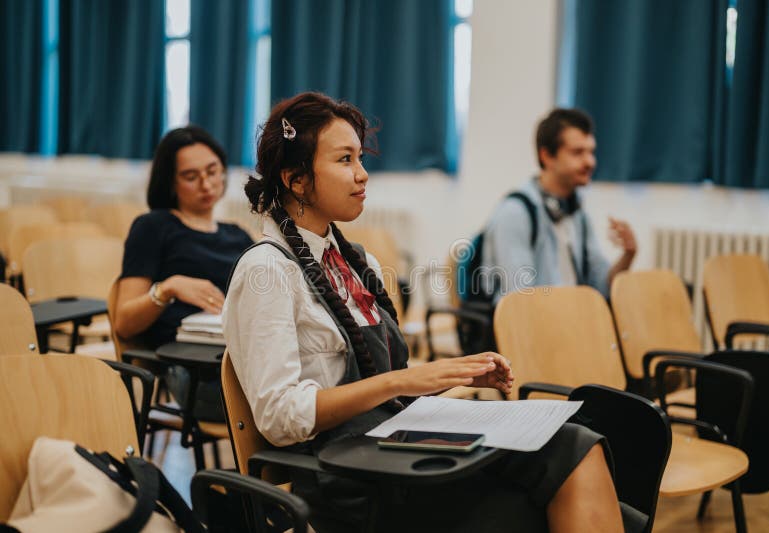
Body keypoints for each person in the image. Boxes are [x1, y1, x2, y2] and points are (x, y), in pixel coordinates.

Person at [223, 92, 643, 532]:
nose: (363, 175)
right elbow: (280, 419)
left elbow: (382, 384)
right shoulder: (266, 270)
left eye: (360, 158)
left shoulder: (349, 259)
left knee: (572, 441)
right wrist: (403, 381)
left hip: (390, 451)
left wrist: (452, 374)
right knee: (557, 495)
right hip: (348, 481)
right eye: (345, 160)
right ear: (296, 179)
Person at [115, 126, 253, 421]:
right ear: (171, 182)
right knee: (300, 404)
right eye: (191, 176)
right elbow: (124, 323)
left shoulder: (238, 236)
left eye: (213, 171)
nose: (206, 183)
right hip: (195, 372)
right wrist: (167, 288)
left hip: (244, 358)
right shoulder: (153, 227)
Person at [480, 108, 636, 301]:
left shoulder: (577, 214)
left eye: (591, 152)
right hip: (535, 326)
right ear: (547, 156)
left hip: (569, 322)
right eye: (577, 152)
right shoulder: (516, 214)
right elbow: (520, 304)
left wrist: (628, 254)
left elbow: (602, 287)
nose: (590, 161)